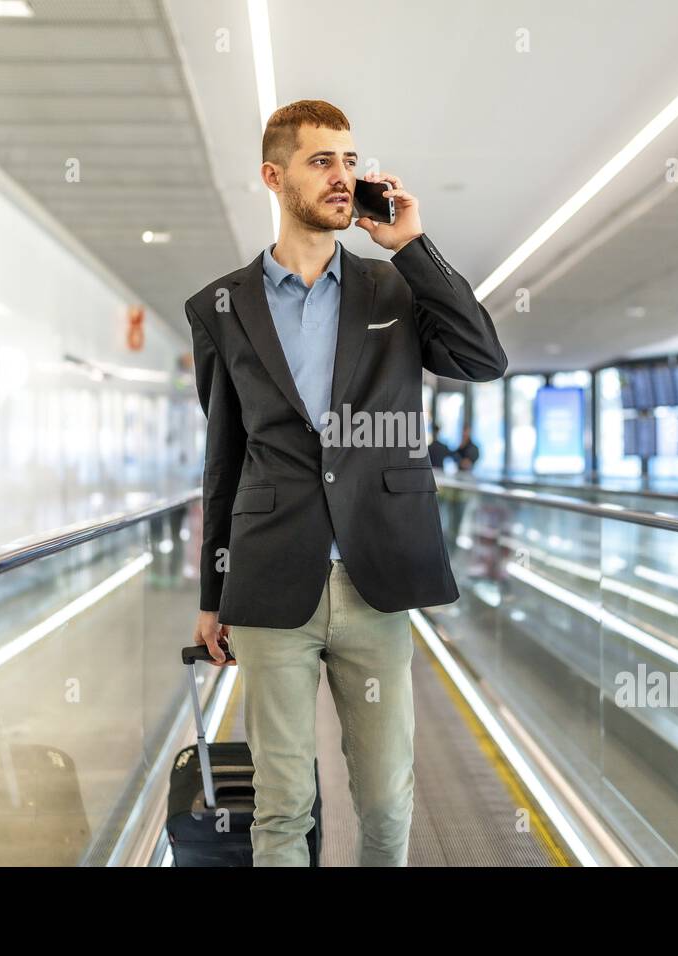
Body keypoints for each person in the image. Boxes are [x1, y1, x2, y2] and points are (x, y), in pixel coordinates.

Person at [184, 99, 507, 866]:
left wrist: (413, 245)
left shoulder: (394, 290)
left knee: (388, 799)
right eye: (322, 161)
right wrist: (210, 592)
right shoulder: (221, 306)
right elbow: (225, 455)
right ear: (274, 176)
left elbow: (484, 358)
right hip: (269, 581)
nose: (343, 176)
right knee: (282, 807)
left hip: (377, 577)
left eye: (350, 160)